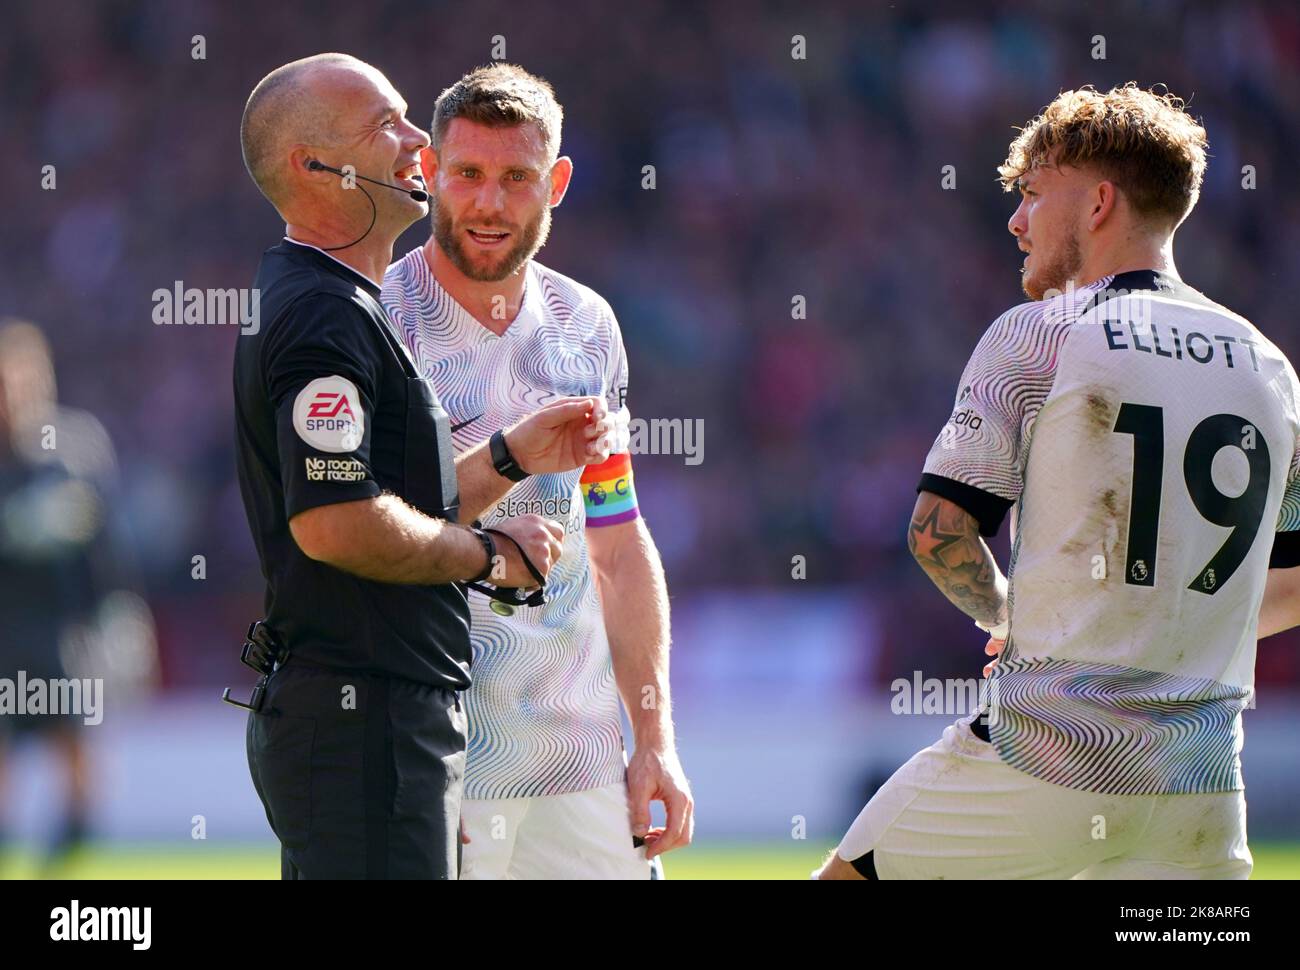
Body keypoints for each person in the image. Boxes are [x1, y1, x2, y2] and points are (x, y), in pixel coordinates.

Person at [818, 84, 1300, 880]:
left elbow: (939, 531)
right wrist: (1160, 627)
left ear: (1100, 202)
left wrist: (1015, 615)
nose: (1016, 221)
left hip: (1046, 756)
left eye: (1034, 195)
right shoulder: (1269, 368)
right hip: (1200, 789)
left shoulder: (1041, 333)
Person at [234, 53, 615, 879]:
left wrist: (510, 459)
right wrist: (488, 556)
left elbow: (396, 500)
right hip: (361, 725)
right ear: (315, 169)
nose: (417, 142)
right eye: (387, 126)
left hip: (377, 724)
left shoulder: (340, 305)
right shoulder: (323, 319)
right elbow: (337, 523)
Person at [382, 63, 692, 879]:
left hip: (580, 762)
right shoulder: (379, 321)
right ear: (428, 176)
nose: (489, 203)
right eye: (469, 175)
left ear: (555, 183)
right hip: (441, 754)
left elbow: (619, 545)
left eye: (516, 178)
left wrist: (654, 738)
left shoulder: (587, 326)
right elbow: (368, 525)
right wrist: (508, 456)